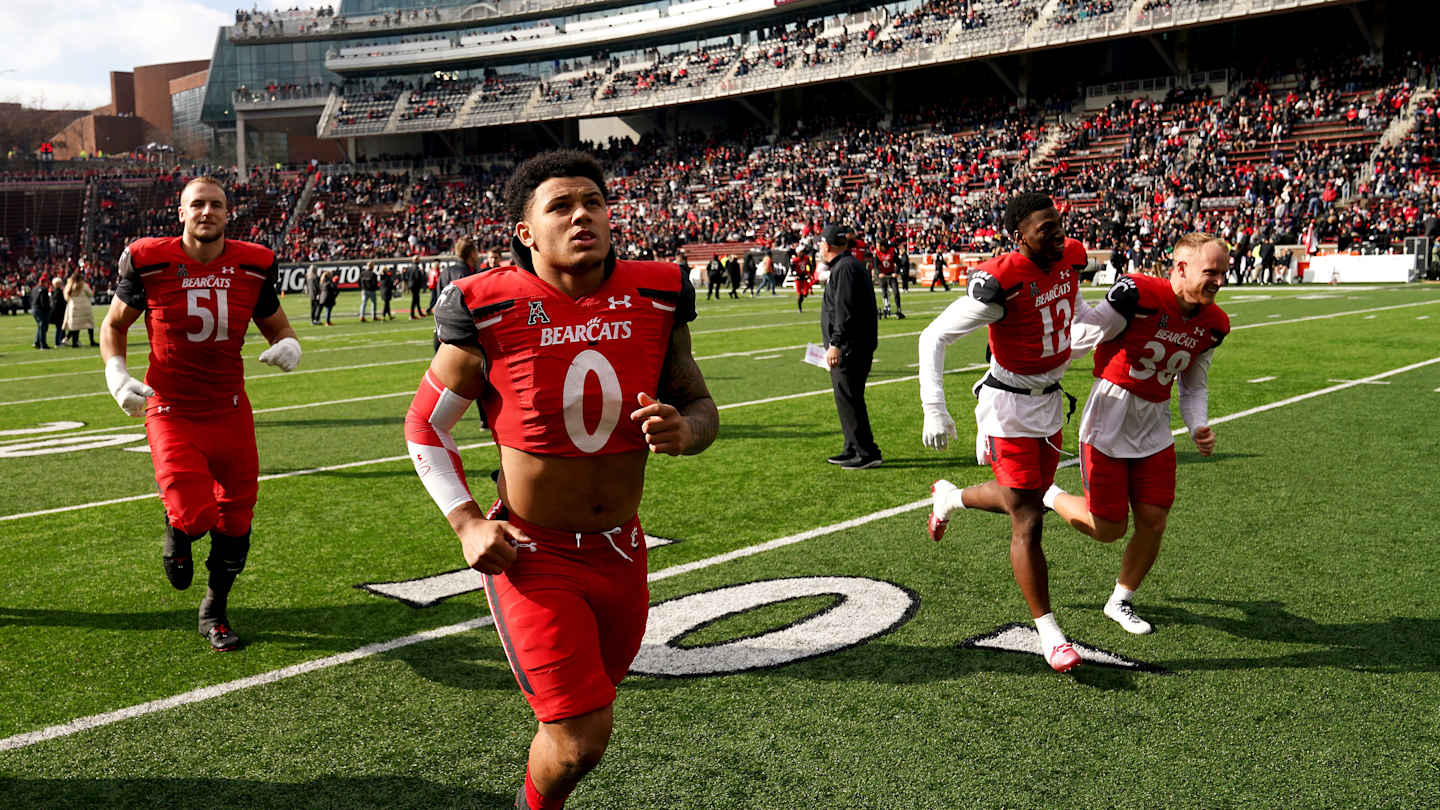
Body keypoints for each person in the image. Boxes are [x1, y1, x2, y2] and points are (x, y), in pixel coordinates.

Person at [404, 150, 717, 810]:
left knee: (588, 725)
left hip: (623, 551)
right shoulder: (486, 306)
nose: (583, 216)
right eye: (561, 206)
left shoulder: (657, 293)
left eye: (594, 203)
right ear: (526, 233)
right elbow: (425, 425)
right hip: (534, 553)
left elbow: (699, 404)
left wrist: (686, 431)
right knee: (579, 738)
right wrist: (466, 522)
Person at [98, 176, 302, 652]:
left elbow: (278, 325)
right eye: (198, 205)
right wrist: (115, 373)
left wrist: (289, 344)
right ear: (182, 213)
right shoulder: (151, 260)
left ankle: (215, 610)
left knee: (236, 519)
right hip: (170, 406)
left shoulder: (253, 264)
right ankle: (179, 528)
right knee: (194, 514)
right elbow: (114, 324)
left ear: (227, 214)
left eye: (215, 205)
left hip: (230, 408)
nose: (207, 212)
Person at [918, 192, 1090, 673]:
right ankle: (1049, 633)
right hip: (1010, 404)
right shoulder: (1001, 281)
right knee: (1028, 516)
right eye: (1044, 230)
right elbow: (933, 336)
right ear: (1019, 236)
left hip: (1051, 400)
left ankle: (949, 499)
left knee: (1026, 497)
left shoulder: (1071, 257)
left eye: (1058, 225)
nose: (1057, 235)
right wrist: (936, 408)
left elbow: (1074, 306)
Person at [1045, 233, 1230, 635]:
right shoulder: (1138, 293)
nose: (1218, 281)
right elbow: (1083, 337)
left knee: (1154, 520)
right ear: (1181, 267)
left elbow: (1194, 384)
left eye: (1222, 273)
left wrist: (1198, 424)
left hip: (1155, 430)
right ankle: (1050, 495)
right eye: (1210, 272)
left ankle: (1120, 600)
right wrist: (1071, 291)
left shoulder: (1214, 323)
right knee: (1108, 529)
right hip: (1108, 421)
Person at [819, 222, 882, 469]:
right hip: (852, 345)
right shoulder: (846, 266)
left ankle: (867, 452)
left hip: (850, 347)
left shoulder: (845, 268)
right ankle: (853, 446)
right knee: (847, 399)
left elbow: (845, 311)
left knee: (850, 399)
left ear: (828, 245)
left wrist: (836, 343)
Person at [434, 237, 481, 351]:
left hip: (442, 331)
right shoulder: (468, 275)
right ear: (471, 253)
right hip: (461, 335)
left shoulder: (446, 271)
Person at [62, 273, 98, 347]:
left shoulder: (69, 286)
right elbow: (90, 294)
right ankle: (92, 341)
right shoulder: (84, 285)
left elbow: (66, 297)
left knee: (75, 326)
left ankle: (74, 343)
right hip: (85, 307)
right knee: (89, 325)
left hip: (73, 307)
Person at [875, 241, 904, 319]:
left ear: (883, 246)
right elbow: (876, 265)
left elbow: (899, 262)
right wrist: (879, 273)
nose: (877, 247)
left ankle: (899, 309)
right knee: (884, 292)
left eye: (878, 246)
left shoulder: (891, 251)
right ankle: (886, 306)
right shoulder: (878, 253)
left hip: (891, 274)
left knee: (896, 292)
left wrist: (896, 272)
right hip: (883, 275)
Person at [29, 275, 52, 349]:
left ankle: (37, 342)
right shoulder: (43, 289)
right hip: (41, 310)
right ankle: (43, 344)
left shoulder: (34, 289)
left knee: (40, 326)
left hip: (34, 308)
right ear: (44, 282)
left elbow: (31, 298)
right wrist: (48, 309)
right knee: (43, 327)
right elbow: (43, 302)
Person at [49, 277, 66, 347]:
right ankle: (57, 342)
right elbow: (59, 303)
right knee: (59, 328)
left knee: (59, 328)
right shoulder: (58, 292)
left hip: (56, 313)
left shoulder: (55, 291)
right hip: (58, 313)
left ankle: (59, 341)